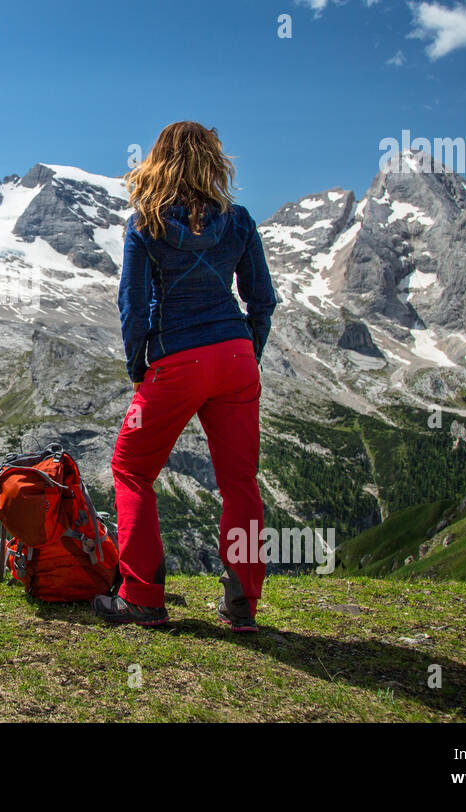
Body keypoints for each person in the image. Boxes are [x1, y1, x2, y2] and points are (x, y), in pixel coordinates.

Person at [92, 121, 277, 631]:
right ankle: (242, 605)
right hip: (236, 359)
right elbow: (262, 300)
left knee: (131, 469)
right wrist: (247, 356)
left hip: (176, 363)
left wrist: (139, 368)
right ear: (214, 163)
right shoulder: (238, 221)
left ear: (158, 163)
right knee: (240, 483)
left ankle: (143, 598)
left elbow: (132, 308)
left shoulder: (144, 225)